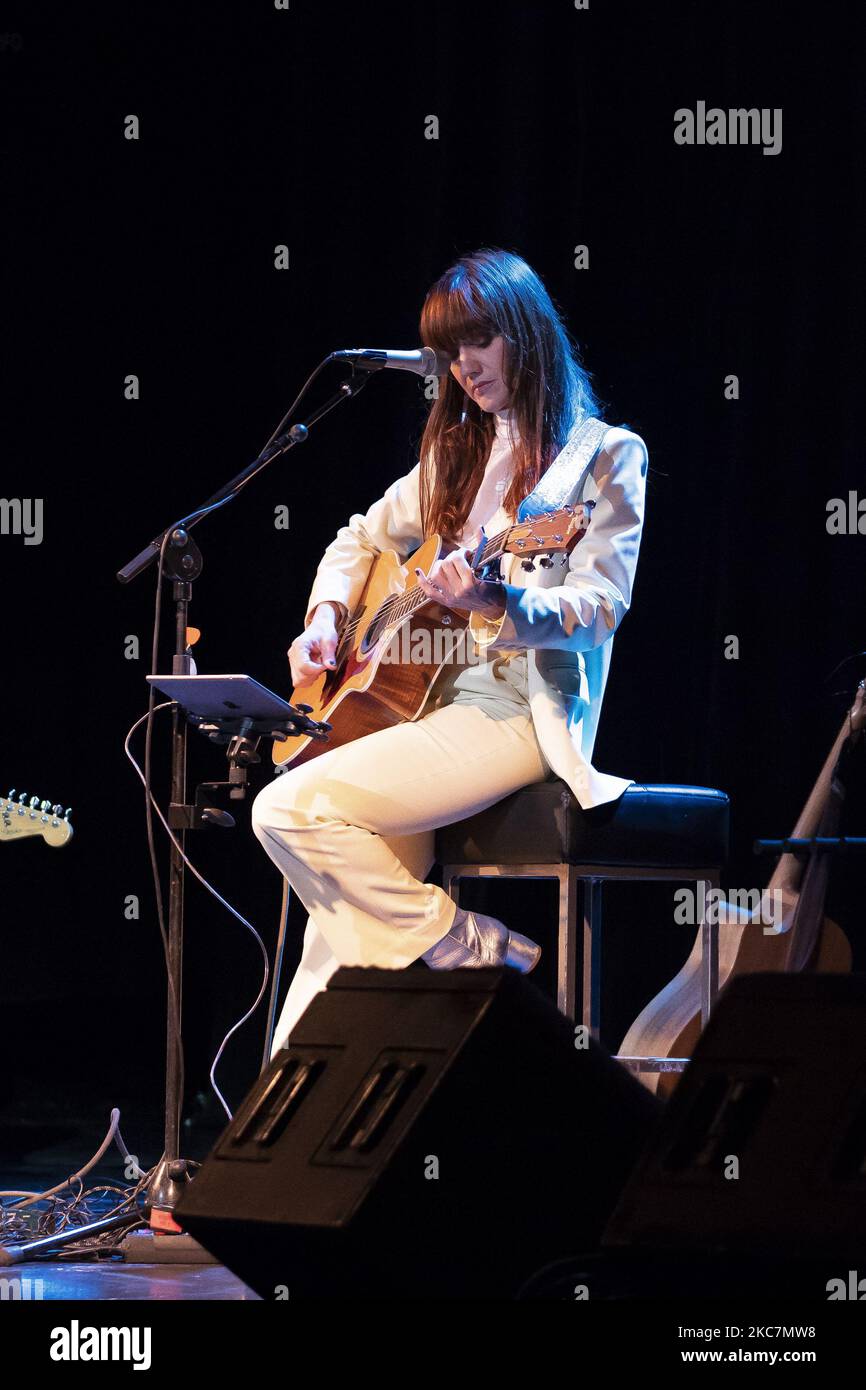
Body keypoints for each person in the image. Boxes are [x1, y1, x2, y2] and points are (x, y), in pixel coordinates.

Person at [252, 247, 648, 1053]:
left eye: (481, 342)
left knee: (287, 811)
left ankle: (462, 947)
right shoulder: (457, 451)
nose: (465, 367)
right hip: (416, 706)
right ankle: (275, 1138)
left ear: (526, 334)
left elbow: (600, 605)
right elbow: (358, 537)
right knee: (331, 941)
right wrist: (328, 616)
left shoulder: (605, 455)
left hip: (512, 713)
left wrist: (497, 598)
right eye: (451, 351)